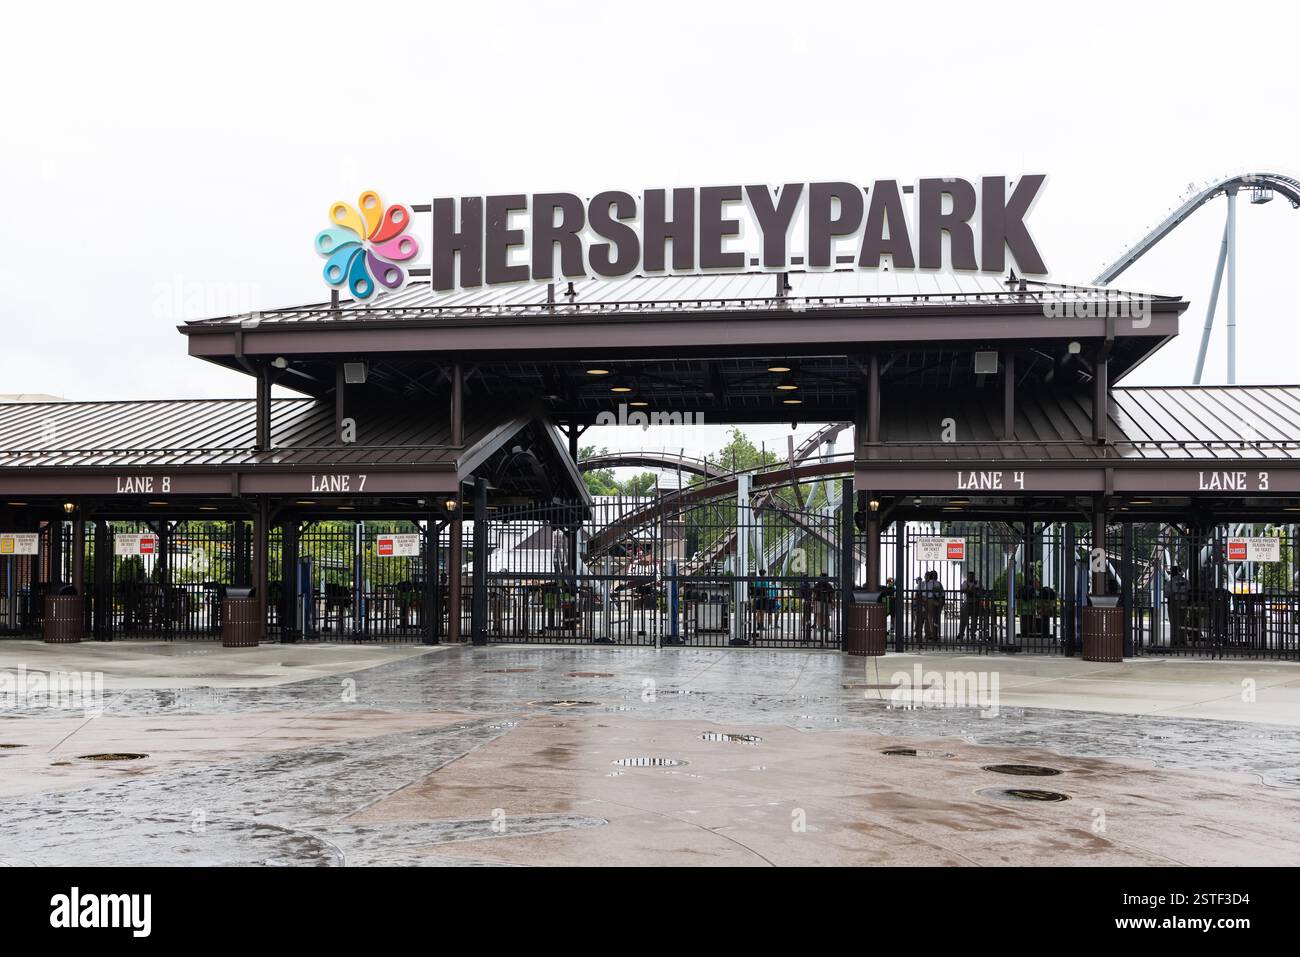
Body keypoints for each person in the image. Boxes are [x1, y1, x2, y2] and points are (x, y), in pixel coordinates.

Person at [1167, 565, 1189, 647]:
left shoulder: (1170, 582)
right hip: (1184, 602)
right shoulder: (1186, 581)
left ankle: (1175, 641)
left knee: (1173, 622)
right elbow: (1189, 591)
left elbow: (1167, 594)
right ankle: (1183, 640)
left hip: (1173, 603)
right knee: (1183, 621)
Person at [957, 571, 981, 640]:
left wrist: (973, 590)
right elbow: (961, 590)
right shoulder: (965, 582)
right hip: (967, 603)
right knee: (963, 620)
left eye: (972, 576)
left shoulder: (977, 582)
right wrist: (970, 590)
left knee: (974, 620)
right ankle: (961, 633)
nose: (971, 577)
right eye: (969, 576)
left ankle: (973, 633)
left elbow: (982, 589)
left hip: (975, 603)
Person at [812, 571, 836, 639]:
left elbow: (814, 594)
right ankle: (827, 627)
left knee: (819, 615)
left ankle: (819, 627)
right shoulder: (829, 585)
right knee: (827, 615)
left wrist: (813, 601)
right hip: (827, 601)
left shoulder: (817, 584)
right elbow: (831, 595)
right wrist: (833, 603)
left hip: (818, 601)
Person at [923, 570, 945, 641]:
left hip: (930, 600)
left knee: (929, 618)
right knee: (936, 618)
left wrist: (925, 604)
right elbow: (943, 594)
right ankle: (935, 634)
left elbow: (924, 595)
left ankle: (929, 634)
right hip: (938, 600)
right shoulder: (939, 584)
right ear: (936, 576)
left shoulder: (927, 584)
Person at [752, 568, 771, 635]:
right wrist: (766, 596)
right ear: (764, 574)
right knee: (762, 612)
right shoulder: (764, 581)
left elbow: (754, 588)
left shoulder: (756, 580)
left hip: (757, 597)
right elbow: (765, 589)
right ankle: (762, 626)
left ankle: (758, 625)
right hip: (763, 596)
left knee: (758, 612)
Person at [798, 575, 814, 643]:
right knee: (808, 615)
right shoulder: (809, 584)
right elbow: (811, 592)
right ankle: (807, 626)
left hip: (803, 600)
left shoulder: (801, 584)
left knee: (804, 614)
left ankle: (804, 625)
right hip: (808, 600)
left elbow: (800, 593)